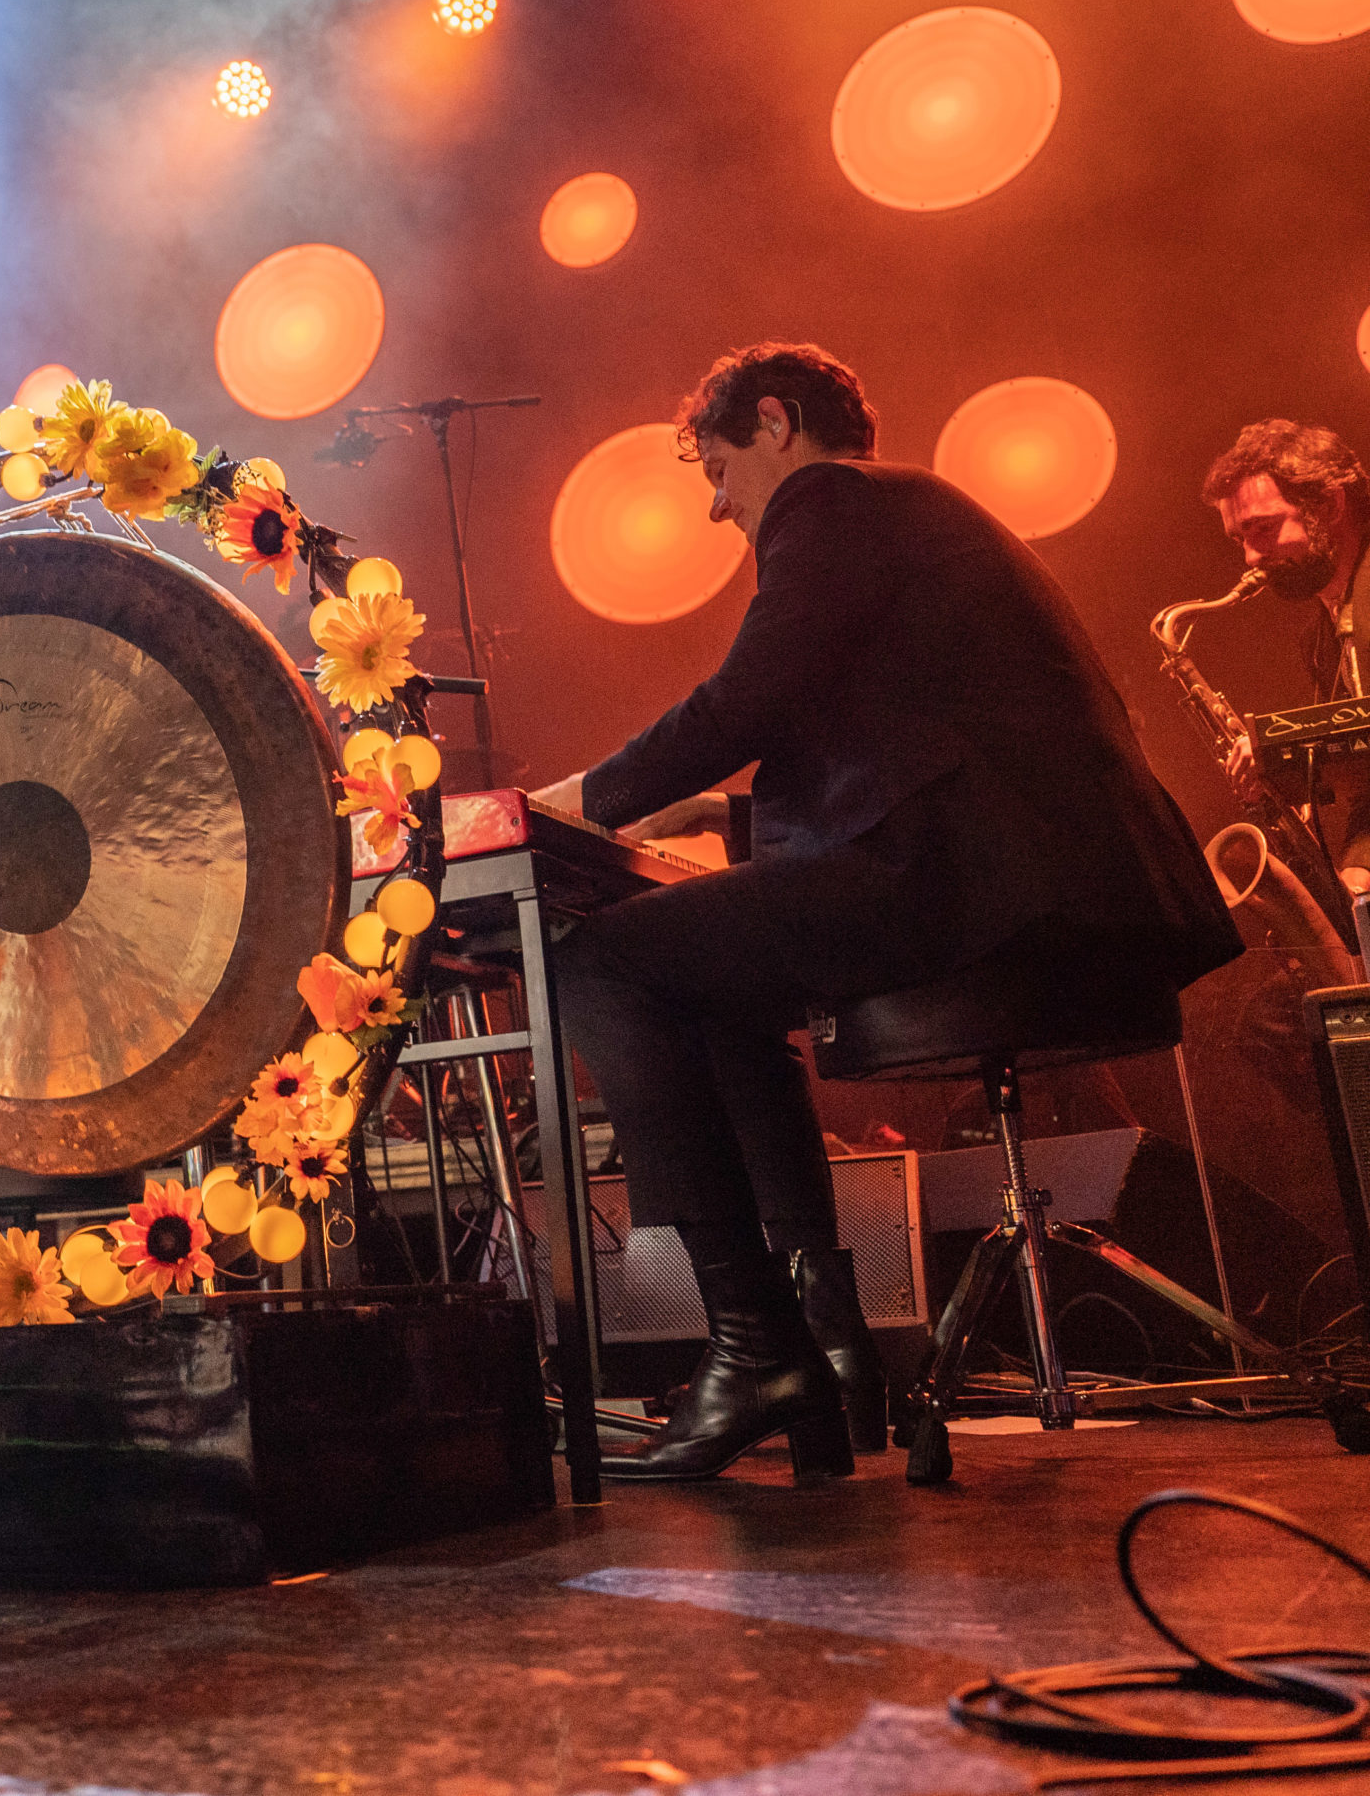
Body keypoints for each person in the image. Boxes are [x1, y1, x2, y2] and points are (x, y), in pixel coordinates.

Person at [534, 342, 1239, 1483]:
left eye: (717, 470)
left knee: (599, 961)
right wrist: (719, 814)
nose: (715, 507)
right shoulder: (912, 515)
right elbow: (900, 733)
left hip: (985, 875)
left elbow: (750, 695)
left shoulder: (833, 500)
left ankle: (755, 1347)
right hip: (1029, 865)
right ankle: (829, 1347)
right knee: (719, 992)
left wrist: (574, 802)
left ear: (775, 423)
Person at [1204, 420, 1370, 887]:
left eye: (1263, 527)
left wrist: (1284, 749)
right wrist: (1357, 875)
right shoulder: (1319, 640)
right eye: (1240, 538)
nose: (1251, 557)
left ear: (1330, 504)